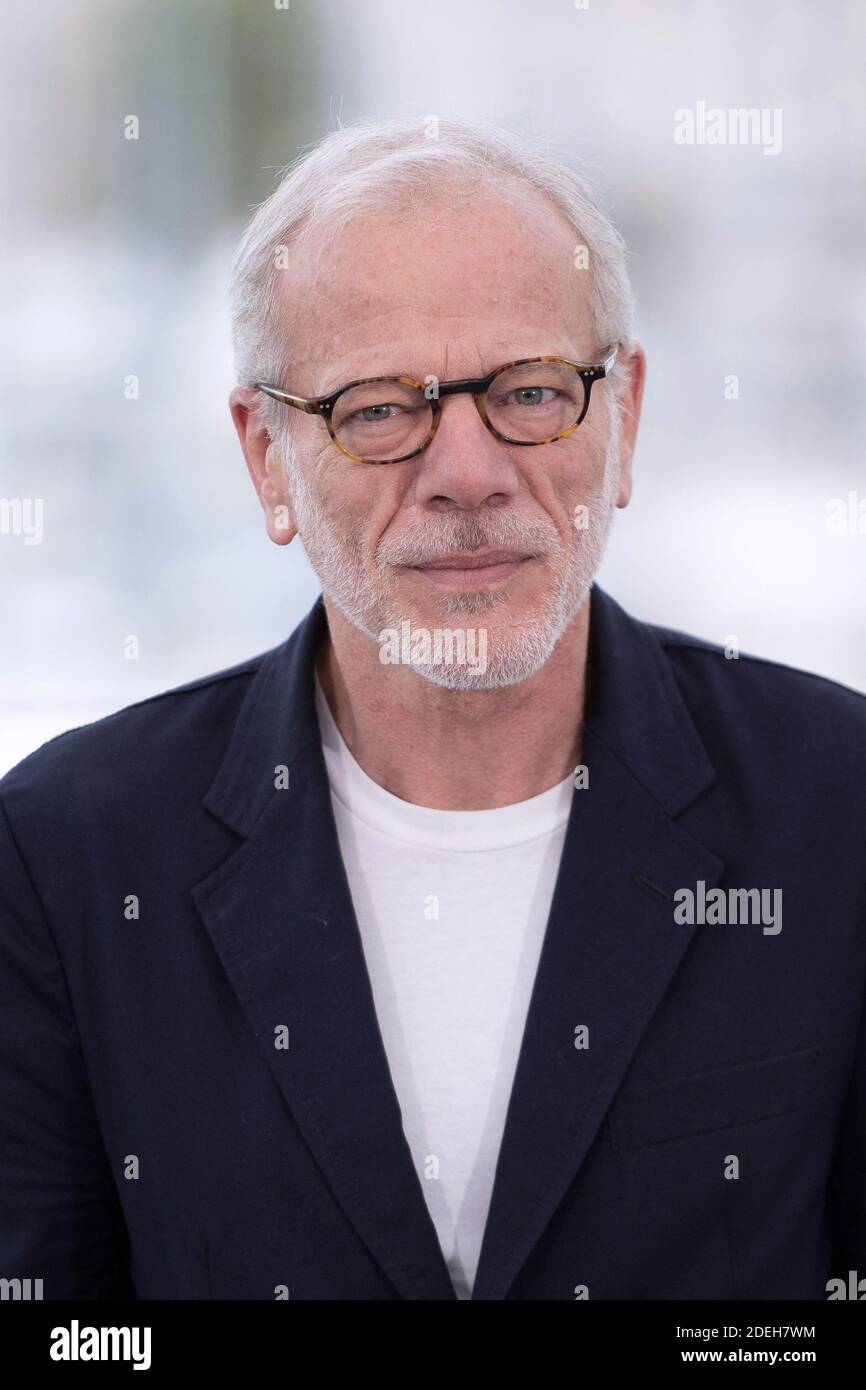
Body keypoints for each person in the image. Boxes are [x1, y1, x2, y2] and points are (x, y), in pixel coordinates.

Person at [1, 117, 863, 1302]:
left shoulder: (836, 810)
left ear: (622, 422)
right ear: (266, 458)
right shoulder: (67, 855)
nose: (467, 472)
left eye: (528, 391)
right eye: (378, 411)